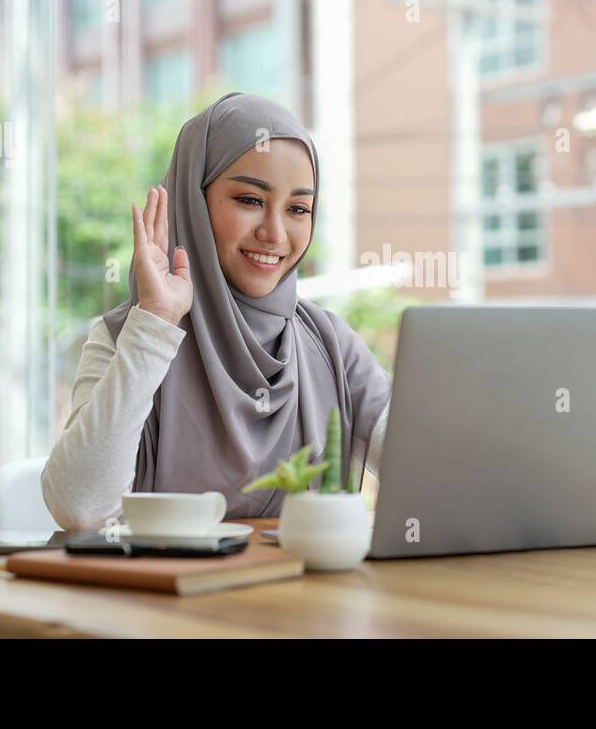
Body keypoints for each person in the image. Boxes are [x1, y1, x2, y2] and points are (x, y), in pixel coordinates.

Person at [41, 92, 392, 531]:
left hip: (300, 596)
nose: (275, 233)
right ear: (194, 200)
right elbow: (79, 507)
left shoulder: (327, 344)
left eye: (298, 208)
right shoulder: (125, 336)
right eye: (249, 199)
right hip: (162, 596)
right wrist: (155, 325)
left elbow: (427, 465)